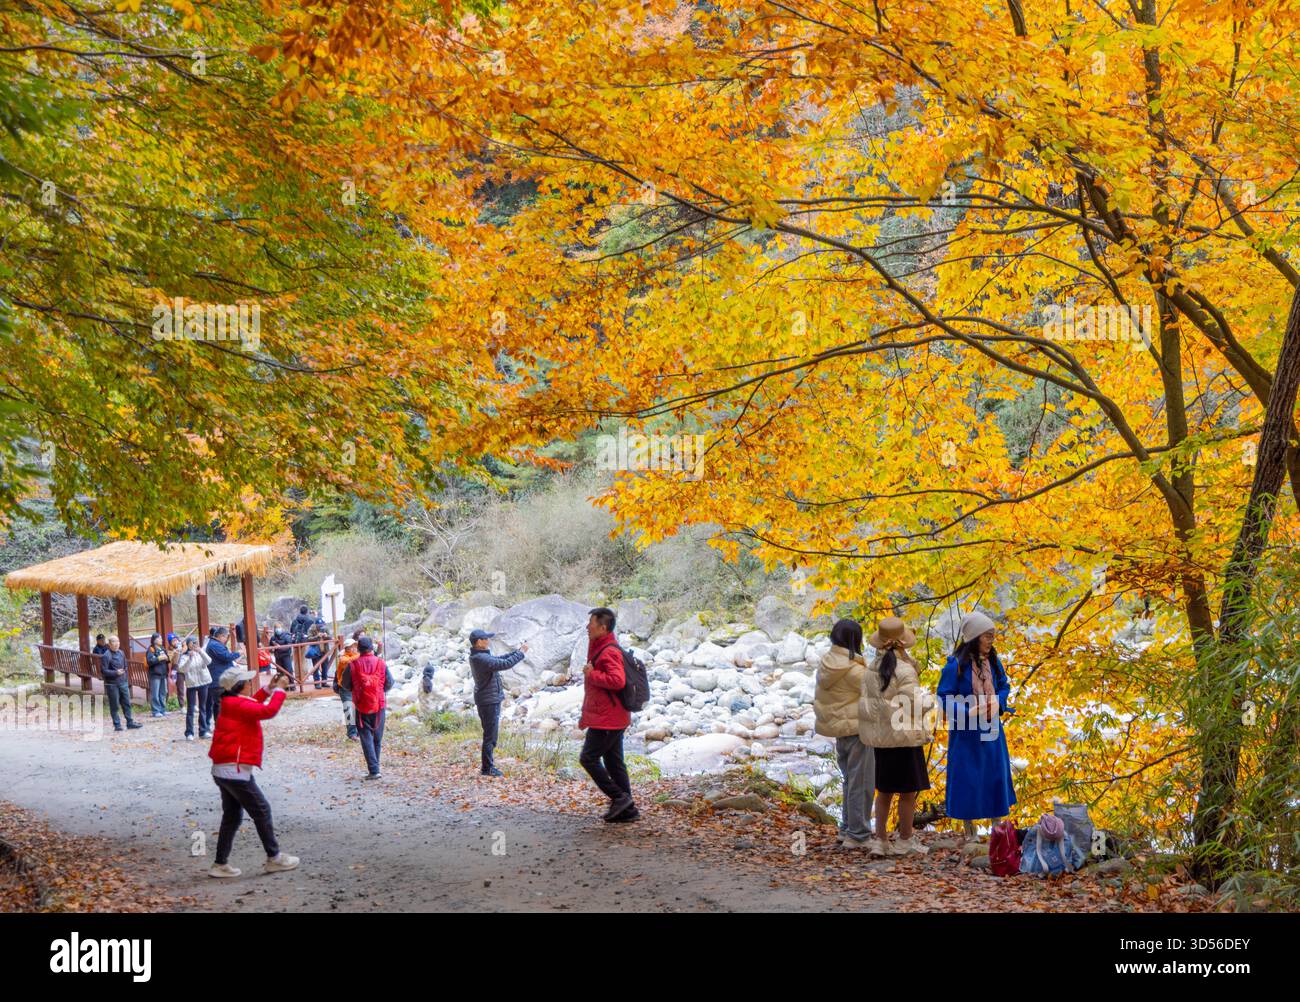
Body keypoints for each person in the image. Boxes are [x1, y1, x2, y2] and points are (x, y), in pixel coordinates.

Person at [206, 667, 299, 878]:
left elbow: (252, 704)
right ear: (240, 686)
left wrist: (270, 688)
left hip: (224, 769)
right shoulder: (236, 704)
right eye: (247, 682)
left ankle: (220, 864)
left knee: (232, 816)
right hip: (234, 769)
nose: (250, 684)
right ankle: (274, 858)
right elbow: (267, 711)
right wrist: (280, 691)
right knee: (262, 810)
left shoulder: (231, 702)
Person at [859, 617, 934, 856]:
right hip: (904, 739)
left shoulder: (871, 669)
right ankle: (905, 839)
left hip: (881, 739)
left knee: (884, 791)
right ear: (903, 643)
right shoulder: (904, 670)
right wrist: (931, 702)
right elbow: (914, 704)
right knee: (908, 792)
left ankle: (880, 840)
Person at [937, 611, 1016, 836]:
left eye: (993, 635)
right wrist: (966, 711)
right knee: (967, 778)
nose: (992, 640)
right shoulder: (955, 665)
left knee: (995, 775)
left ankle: (997, 831)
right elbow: (943, 695)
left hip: (992, 727)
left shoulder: (993, 661)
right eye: (987, 636)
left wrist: (998, 702)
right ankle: (969, 831)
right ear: (974, 637)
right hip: (966, 732)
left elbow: (1003, 685)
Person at [815, 618, 873, 848]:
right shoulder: (852, 669)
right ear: (854, 640)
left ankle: (847, 829)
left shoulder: (827, 662)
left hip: (840, 729)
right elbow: (879, 691)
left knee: (850, 779)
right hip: (858, 728)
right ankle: (858, 835)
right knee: (862, 781)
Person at [578, 608, 637, 822]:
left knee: (588, 758)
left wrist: (591, 674)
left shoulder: (609, 651)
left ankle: (620, 798)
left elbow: (617, 680)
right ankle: (628, 810)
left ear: (603, 628)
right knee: (614, 763)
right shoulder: (600, 645)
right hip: (612, 716)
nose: (587, 627)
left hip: (608, 718)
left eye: (591, 623)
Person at [467, 629, 529, 777]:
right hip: (488, 701)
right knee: (490, 736)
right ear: (479, 642)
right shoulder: (481, 659)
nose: (488, 641)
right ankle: (487, 768)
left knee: (489, 735)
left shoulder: (480, 656)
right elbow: (505, 664)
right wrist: (521, 653)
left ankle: (487, 766)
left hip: (488, 699)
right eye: (486, 639)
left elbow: (501, 659)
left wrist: (517, 651)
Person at [340, 637, 392, 778]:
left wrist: (356, 689)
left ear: (358, 649)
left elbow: (345, 684)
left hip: (361, 705)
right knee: (377, 737)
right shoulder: (381, 663)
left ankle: (374, 770)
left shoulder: (353, 664)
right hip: (379, 704)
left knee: (366, 737)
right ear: (371, 648)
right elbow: (390, 683)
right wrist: (380, 690)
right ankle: (376, 768)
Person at [100, 635, 142, 731]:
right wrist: (115, 672)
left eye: (118, 641)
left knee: (126, 703)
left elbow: (125, 665)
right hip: (112, 684)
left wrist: (124, 674)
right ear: (110, 644)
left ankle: (130, 722)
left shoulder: (121, 653)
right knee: (114, 705)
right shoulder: (106, 655)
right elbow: (103, 671)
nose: (117, 644)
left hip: (123, 682)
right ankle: (117, 725)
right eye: (114, 642)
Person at [203, 627, 240, 733]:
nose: (226, 639)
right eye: (226, 636)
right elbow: (226, 656)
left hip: (219, 677)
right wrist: (238, 653)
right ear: (221, 636)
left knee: (218, 704)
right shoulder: (215, 645)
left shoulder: (214, 644)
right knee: (221, 703)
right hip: (218, 679)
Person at [176, 635, 212, 741]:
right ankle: (189, 733)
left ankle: (203, 731)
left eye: (195, 642)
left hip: (204, 682)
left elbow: (209, 661)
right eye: (192, 642)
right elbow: (182, 669)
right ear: (188, 645)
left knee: (203, 707)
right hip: (191, 684)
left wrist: (200, 651)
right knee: (191, 709)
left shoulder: (201, 653)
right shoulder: (184, 656)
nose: (194, 644)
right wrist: (190, 658)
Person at [334, 637, 360, 740]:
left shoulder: (355, 655)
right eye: (352, 646)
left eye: (355, 646)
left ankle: (357, 732)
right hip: (344, 687)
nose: (354, 648)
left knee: (357, 709)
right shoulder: (343, 658)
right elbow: (347, 661)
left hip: (355, 687)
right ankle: (352, 734)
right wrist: (361, 656)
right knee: (349, 709)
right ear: (347, 648)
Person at [145, 632, 170, 717]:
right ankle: (156, 711)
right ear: (154, 640)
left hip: (163, 673)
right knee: (155, 693)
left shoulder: (162, 648)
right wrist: (158, 658)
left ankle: (163, 710)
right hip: (155, 674)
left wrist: (167, 657)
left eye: (161, 638)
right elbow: (150, 661)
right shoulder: (151, 649)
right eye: (159, 638)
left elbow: (168, 659)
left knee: (163, 692)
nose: (161, 640)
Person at [167, 633, 185, 707]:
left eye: (176, 640)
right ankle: (182, 706)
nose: (175, 642)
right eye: (173, 641)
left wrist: (182, 649)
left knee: (191, 687)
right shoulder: (170, 651)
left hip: (186, 668)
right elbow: (172, 661)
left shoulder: (183, 646)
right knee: (180, 688)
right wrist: (176, 653)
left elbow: (186, 646)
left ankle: (192, 705)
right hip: (177, 670)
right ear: (170, 643)